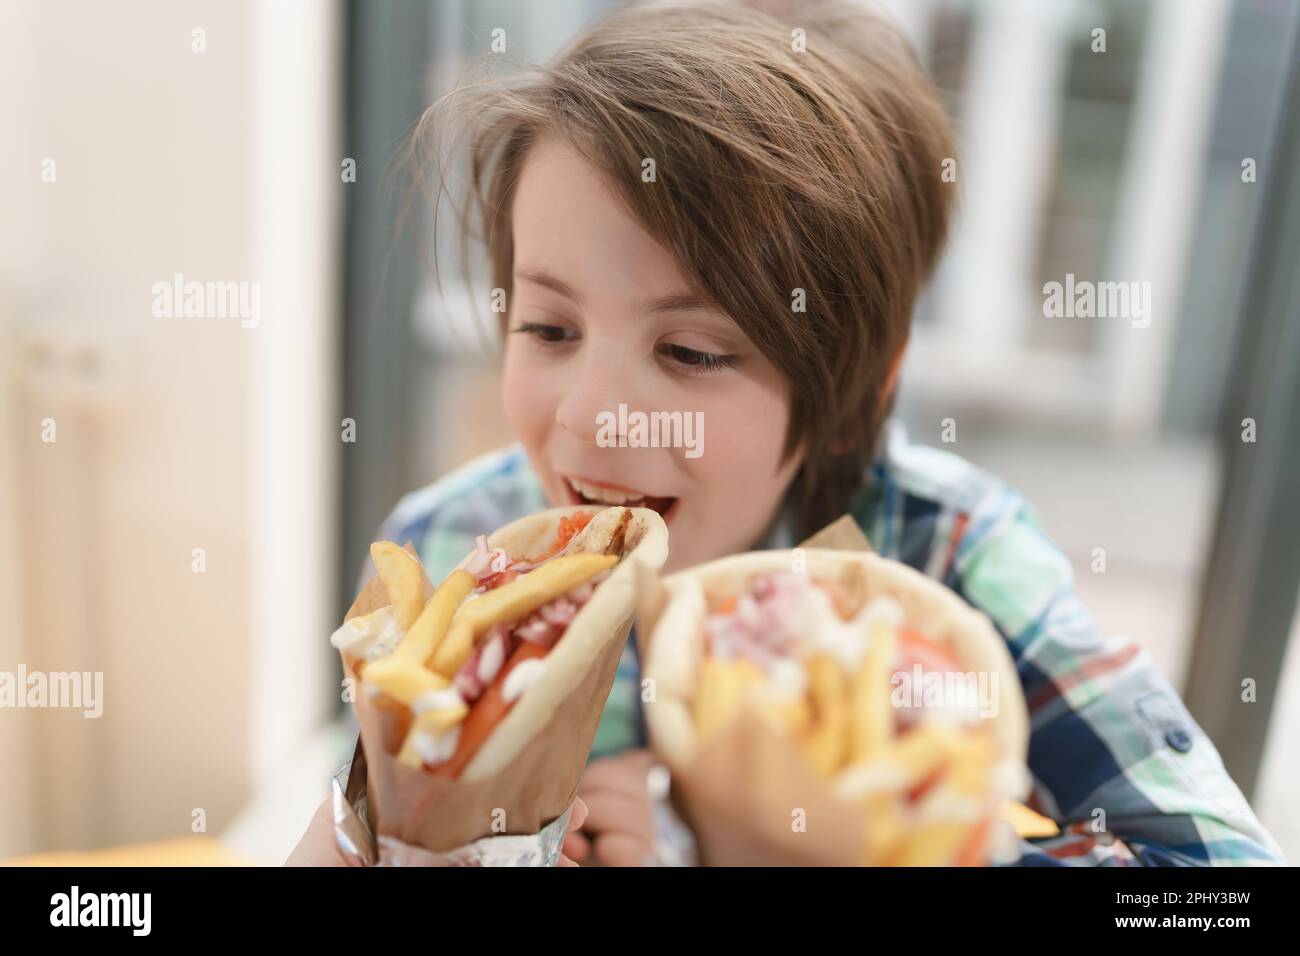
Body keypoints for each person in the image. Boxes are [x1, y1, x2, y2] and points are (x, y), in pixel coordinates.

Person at [290, 0, 1283, 866]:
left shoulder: (950, 561)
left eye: (687, 351)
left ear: (856, 390)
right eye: (549, 328)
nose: (590, 414)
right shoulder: (452, 553)